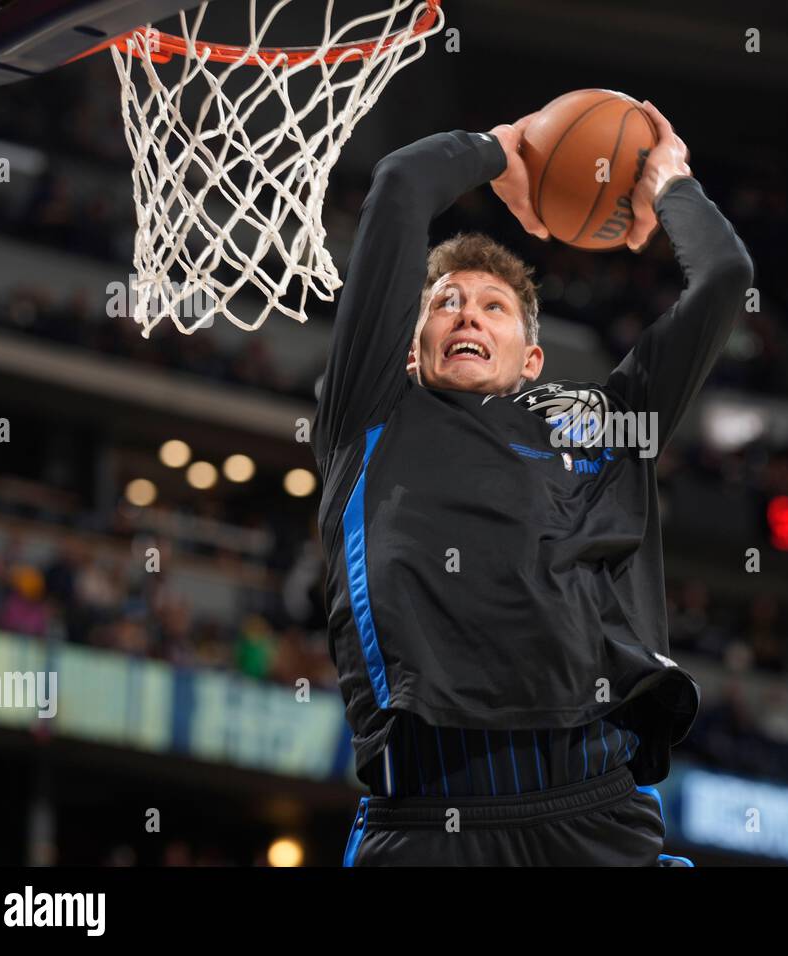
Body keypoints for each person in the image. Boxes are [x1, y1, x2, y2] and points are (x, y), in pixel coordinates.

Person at [314, 99, 753, 866]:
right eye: (444, 303)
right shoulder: (372, 410)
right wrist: (505, 149)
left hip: (593, 807)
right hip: (426, 818)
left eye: (493, 306)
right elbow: (401, 183)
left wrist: (669, 186)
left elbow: (724, 278)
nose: (467, 316)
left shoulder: (605, 424)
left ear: (531, 359)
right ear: (412, 350)